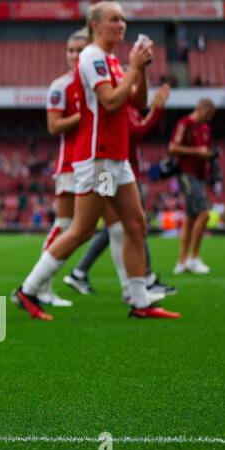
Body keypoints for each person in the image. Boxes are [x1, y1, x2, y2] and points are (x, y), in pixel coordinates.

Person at [12, 1, 180, 320]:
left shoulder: (113, 61)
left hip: (116, 158)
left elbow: (137, 103)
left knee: (135, 224)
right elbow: (110, 101)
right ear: (96, 26)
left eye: (123, 19)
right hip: (99, 157)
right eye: (114, 19)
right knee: (82, 229)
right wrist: (133, 68)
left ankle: (140, 302)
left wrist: (139, 70)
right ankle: (28, 290)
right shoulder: (92, 57)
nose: (122, 24)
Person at [64, 83, 175, 298]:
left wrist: (154, 110)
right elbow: (139, 131)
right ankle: (143, 280)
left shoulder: (126, 106)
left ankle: (84, 273)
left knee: (119, 225)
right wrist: (157, 110)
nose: (135, 89)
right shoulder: (117, 106)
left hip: (118, 171)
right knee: (121, 224)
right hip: (113, 171)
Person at [34, 28, 90, 307]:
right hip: (71, 166)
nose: (75, 56)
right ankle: (40, 285)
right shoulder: (61, 86)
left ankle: (137, 289)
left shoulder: (97, 84)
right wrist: (88, 115)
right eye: (71, 50)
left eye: (80, 50)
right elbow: (54, 126)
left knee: (121, 224)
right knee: (66, 225)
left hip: (99, 165)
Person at [171, 98, 217, 274]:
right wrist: (197, 152)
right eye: (207, 114)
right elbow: (173, 147)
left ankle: (182, 262)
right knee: (204, 214)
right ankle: (194, 258)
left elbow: (205, 151)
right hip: (186, 174)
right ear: (200, 109)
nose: (208, 118)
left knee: (190, 218)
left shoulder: (205, 128)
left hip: (198, 175)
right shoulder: (184, 124)